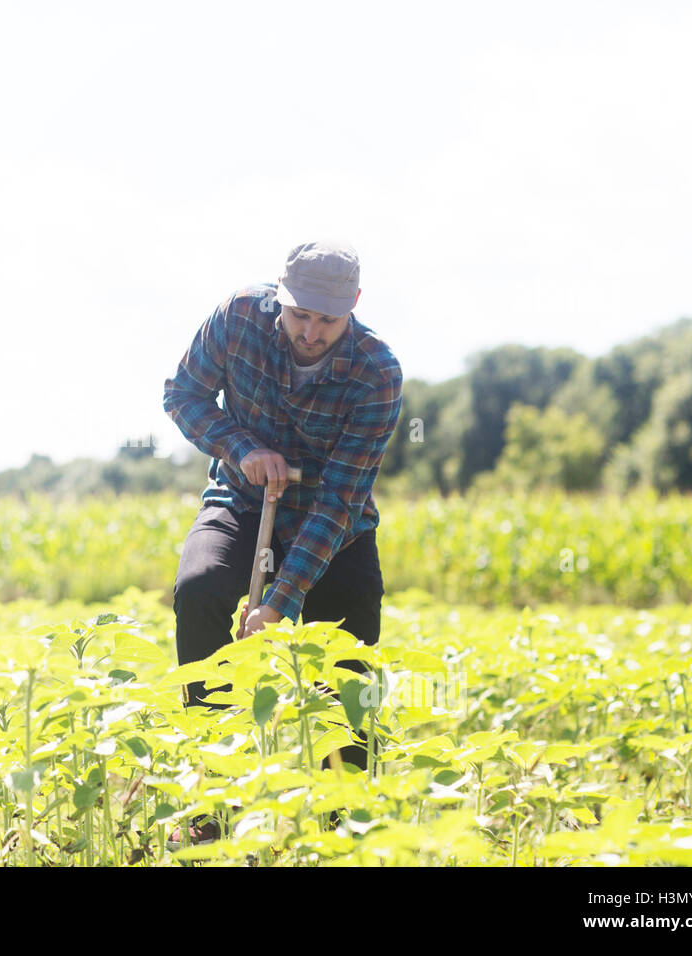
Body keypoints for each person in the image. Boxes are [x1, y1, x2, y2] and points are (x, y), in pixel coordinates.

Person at [161, 239, 402, 846]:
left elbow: (341, 498)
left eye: (327, 320)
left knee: (347, 658)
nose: (312, 332)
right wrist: (242, 449)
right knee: (201, 587)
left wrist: (280, 601)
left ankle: (341, 824)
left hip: (332, 526)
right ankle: (213, 803)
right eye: (300, 316)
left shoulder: (377, 373)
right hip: (242, 502)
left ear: (353, 307)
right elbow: (182, 395)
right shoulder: (238, 317)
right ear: (281, 297)